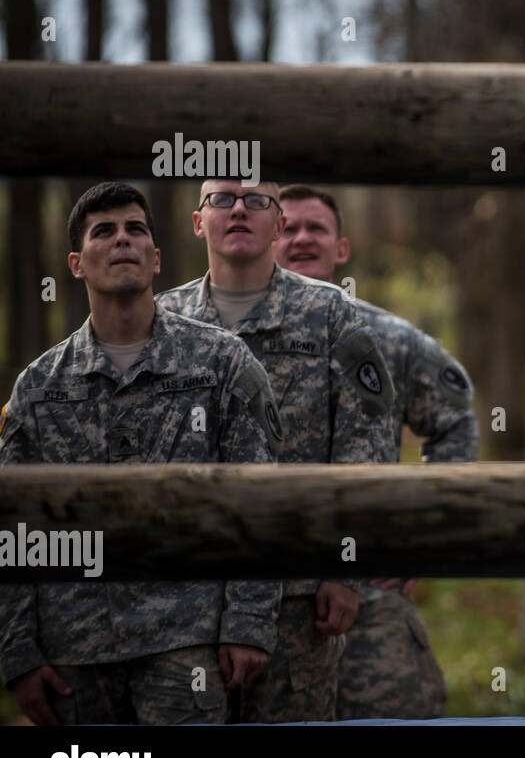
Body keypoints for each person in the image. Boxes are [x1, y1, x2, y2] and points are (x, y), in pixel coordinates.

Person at [0, 181, 282, 725]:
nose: (122, 241)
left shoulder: (222, 363)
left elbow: (261, 500)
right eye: (104, 232)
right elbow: (12, 529)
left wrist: (247, 623)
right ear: (77, 264)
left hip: (185, 643)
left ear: (156, 258)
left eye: (136, 230)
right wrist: (17, 653)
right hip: (74, 653)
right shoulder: (37, 388)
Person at [157, 179, 396, 723]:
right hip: (185, 599)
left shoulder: (331, 312)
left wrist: (347, 567)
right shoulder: (164, 321)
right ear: (199, 222)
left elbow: (370, 443)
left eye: (256, 200)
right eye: (222, 199)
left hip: (300, 595)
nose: (239, 210)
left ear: (279, 222)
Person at [273, 184, 478, 720]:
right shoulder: (219, 337)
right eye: (288, 227)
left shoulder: (387, 338)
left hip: (370, 597)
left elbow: (455, 423)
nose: (300, 239)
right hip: (259, 604)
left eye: (315, 228)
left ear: (341, 249)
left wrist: (418, 535)